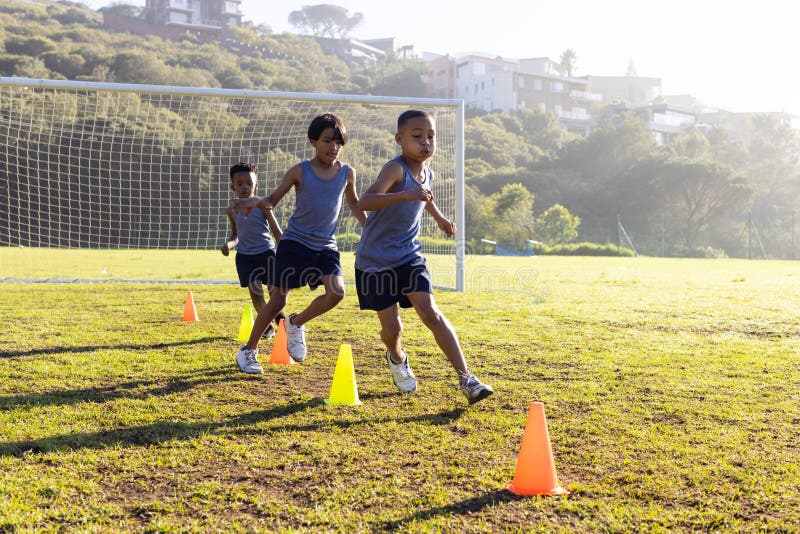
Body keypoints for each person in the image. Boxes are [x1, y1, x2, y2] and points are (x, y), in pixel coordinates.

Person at [354, 110, 494, 405]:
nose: (426, 143)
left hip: (408, 256)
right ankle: (396, 356)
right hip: (374, 261)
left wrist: (441, 218)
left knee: (431, 312)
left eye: (431, 136)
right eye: (417, 137)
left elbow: (423, 197)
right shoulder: (395, 170)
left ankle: (467, 379)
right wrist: (402, 196)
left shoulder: (428, 172)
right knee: (393, 329)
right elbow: (365, 201)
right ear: (399, 139)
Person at [231, 113, 366, 373]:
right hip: (294, 243)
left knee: (337, 293)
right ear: (314, 141)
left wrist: (370, 231)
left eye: (339, 142)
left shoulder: (348, 173)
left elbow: (355, 205)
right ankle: (248, 351)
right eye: (328, 141)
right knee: (277, 301)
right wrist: (255, 202)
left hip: (326, 246)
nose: (333, 147)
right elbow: (272, 199)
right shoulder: (299, 171)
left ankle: (296, 322)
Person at [221, 161, 286, 355]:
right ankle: (267, 328)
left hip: (267, 255)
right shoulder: (231, 209)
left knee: (276, 295)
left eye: (249, 183)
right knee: (256, 295)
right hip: (245, 258)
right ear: (233, 186)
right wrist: (229, 245)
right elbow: (235, 234)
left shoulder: (263, 206)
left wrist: (286, 250)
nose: (244, 187)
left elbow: (277, 232)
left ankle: (284, 324)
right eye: (240, 184)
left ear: (256, 186)